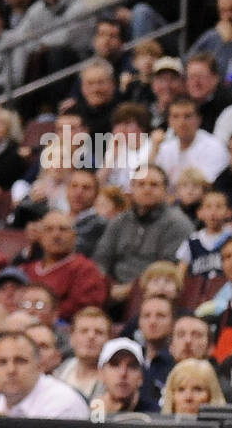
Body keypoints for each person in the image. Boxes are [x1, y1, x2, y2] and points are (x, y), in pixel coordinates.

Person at [93, 165, 192, 306]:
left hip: (153, 295)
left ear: (165, 190)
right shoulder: (120, 221)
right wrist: (103, 285)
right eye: (141, 184)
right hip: (111, 291)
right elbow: (101, 259)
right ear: (131, 188)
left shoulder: (178, 224)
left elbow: (168, 271)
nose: (147, 189)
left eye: (154, 185)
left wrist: (130, 290)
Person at [0, 332, 89, 419]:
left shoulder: (62, 403)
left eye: (20, 361)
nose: (11, 370)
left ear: (39, 366)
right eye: (2, 362)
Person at [25, 211, 109, 320]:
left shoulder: (86, 270)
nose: (56, 235)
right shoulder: (28, 269)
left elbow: (86, 312)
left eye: (63, 229)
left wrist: (45, 315)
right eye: (49, 229)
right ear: (40, 237)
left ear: (74, 236)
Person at [54, 306, 111, 402]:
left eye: (99, 332)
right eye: (84, 331)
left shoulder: (114, 378)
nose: (91, 336)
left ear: (109, 339)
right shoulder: (60, 371)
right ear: (72, 337)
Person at [96, 339, 160, 417]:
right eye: (115, 364)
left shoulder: (155, 416)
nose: (123, 373)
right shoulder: (86, 413)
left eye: (132, 366)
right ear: (101, 373)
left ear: (141, 376)